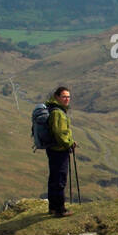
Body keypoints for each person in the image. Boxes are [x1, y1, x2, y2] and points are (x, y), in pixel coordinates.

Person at [45, 86, 77, 217]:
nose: (67, 99)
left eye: (68, 97)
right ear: (57, 97)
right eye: (64, 96)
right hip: (59, 150)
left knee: (54, 178)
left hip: (53, 149)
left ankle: (53, 207)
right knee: (59, 179)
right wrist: (69, 143)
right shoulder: (58, 113)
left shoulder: (54, 109)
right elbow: (60, 133)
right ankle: (60, 209)